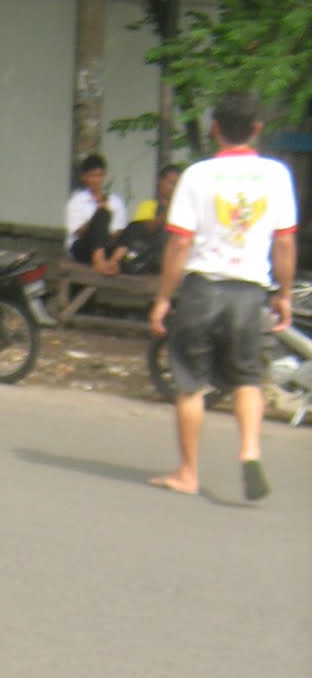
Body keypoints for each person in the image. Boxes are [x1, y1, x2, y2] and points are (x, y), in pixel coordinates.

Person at [148, 90, 298, 501]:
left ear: (215, 130)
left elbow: (179, 244)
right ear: (257, 130)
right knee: (248, 377)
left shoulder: (197, 175)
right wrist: (282, 294)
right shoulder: (277, 175)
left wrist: (163, 299)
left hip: (203, 288)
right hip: (251, 291)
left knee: (190, 382)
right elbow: (284, 243)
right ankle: (249, 449)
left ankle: (188, 472)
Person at [65, 153, 128, 274]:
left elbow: (120, 231)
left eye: (99, 176)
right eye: (92, 176)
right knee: (102, 214)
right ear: (84, 177)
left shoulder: (115, 201)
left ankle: (112, 263)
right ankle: (99, 262)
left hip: (107, 246)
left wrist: (107, 235)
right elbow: (78, 233)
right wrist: (97, 218)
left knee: (133, 228)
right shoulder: (77, 201)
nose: (96, 180)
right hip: (83, 248)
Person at [117, 163, 183, 274]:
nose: (174, 188)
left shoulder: (183, 209)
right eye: (171, 183)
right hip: (148, 257)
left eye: (177, 185)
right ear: (160, 182)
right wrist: (169, 211)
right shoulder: (148, 205)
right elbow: (145, 229)